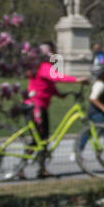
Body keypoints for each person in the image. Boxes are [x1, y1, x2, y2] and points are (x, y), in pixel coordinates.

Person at [26, 42, 85, 178]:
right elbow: (55, 76)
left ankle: (41, 169)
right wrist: (76, 79)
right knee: (39, 139)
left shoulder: (43, 67)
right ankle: (22, 168)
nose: (55, 55)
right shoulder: (43, 66)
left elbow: (49, 85)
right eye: (53, 52)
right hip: (36, 106)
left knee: (43, 139)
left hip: (41, 106)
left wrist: (60, 95)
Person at [73, 62, 104, 164]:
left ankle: (78, 151)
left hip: (92, 112)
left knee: (87, 132)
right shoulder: (100, 85)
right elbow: (93, 99)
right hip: (98, 113)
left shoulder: (98, 84)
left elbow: (99, 98)